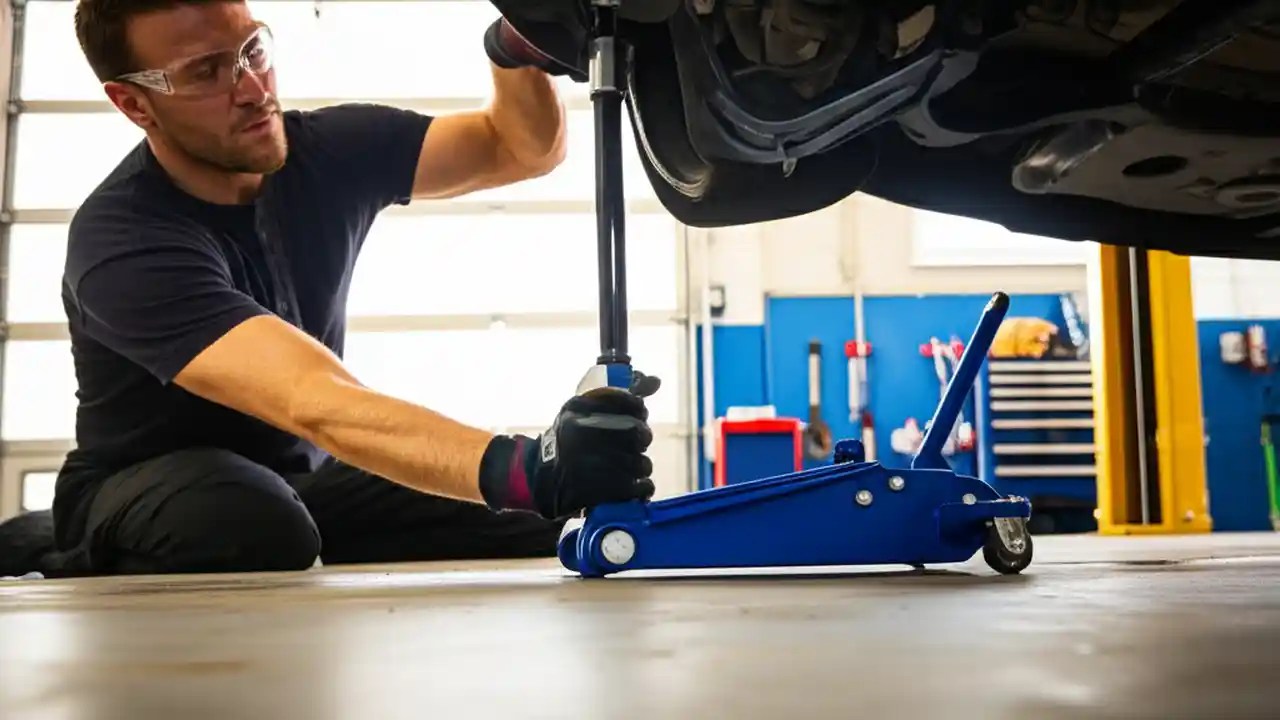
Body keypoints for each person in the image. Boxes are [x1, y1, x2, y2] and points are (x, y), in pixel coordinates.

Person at [0, 0, 657, 578]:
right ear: (134, 102)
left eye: (254, 48)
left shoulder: (325, 150)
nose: (254, 87)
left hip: (299, 481)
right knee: (252, 519)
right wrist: (526, 463)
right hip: (144, 488)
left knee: (539, 521)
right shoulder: (123, 239)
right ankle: (40, 546)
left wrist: (516, 45)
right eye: (206, 71)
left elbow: (517, 148)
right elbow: (312, 398)